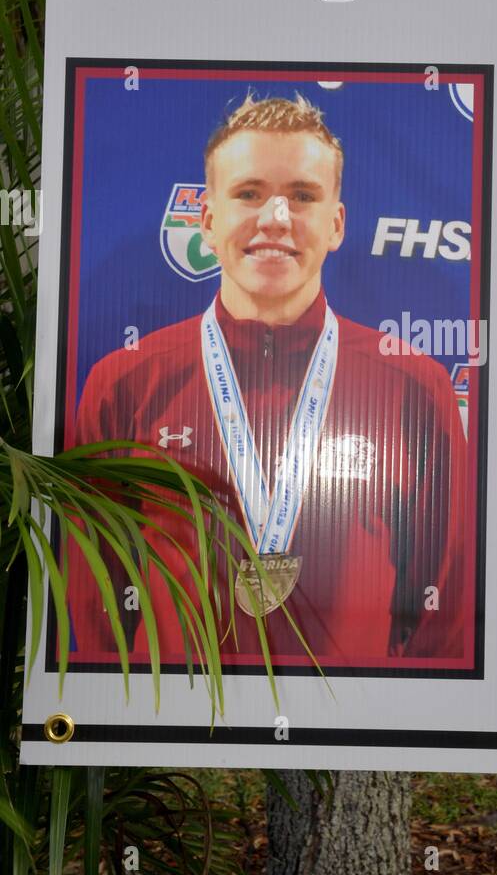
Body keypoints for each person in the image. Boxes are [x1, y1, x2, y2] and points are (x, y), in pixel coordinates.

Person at [67, 95, 471, 670]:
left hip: (352, 734)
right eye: (249, 193)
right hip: (177, 728)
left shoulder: (415, 386)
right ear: (208, 221)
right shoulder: (124, 383)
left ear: (336, 224)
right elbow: (94, 596)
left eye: (302, 196)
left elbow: (444, 609)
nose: (276, 218)